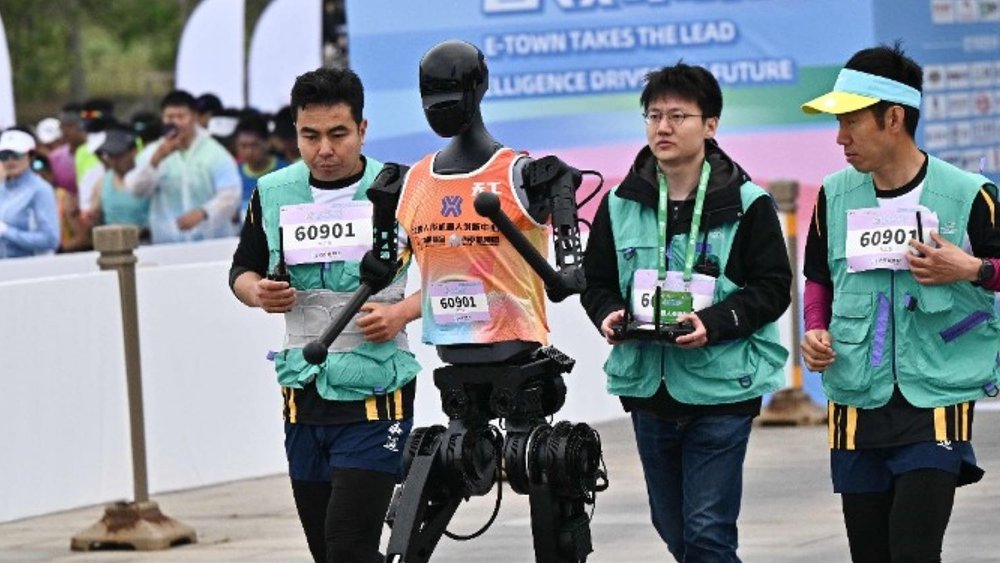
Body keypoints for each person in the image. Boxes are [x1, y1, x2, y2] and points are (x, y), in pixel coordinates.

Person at [580, 63, 791, 562]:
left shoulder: (747, 203)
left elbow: (772, 288)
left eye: (678, 115)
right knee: (673, 527)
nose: (663, 127)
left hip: (720, 390)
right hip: (650, 389)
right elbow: (597, 283)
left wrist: (714, 324)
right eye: (653, 116)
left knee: (706, 532)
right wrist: (609, 314)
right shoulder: (619, 203)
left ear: (711, 124)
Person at [799, 44, 1000, 563]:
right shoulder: (833, 194)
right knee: (870, 554)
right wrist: (816, 330)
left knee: (914, 550)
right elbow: (820, 277)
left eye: (851, 122)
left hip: (935, 394)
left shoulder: (969, 194)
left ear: (893, 118)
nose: (840, 138)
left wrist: (974, 269)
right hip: (855, 397)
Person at [229, 67, 420, 563]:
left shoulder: (400, 188)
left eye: (338, 134)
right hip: (303, 390)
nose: (324, 150)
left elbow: (455, 277)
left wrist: (401, 312)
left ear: (362, 128)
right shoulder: (271, 192)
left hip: (378, 391)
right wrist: (258, 293)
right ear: (295, 131)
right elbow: (241, 272)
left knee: (348, 546)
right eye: (309, 136)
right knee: (327, 552)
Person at [124, 89, 241, 243]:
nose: (175, 123)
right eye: (169, 117)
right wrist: (155, 160)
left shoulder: (215, 153)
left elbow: (231, 195)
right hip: (166, 244)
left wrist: (203, 212)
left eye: (181, 117)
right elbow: (135, 189)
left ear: (194, 117)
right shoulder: (153, 152)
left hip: (211, 244)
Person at [0, 128, 60, 258]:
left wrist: (7, 232)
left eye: (16, 155)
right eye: (4, 156)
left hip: (33, 268)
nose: (10, 161)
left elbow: (50, 240)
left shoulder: (40, 190)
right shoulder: (1, 189)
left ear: (31, 155)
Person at [92, 128, 150, 241]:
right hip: (113, 245)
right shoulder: (102, 183)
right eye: (110, 156)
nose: (114, 161)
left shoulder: (147, 179)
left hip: (146, 242)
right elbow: (95, 216)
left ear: (133, 151)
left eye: (119, 155)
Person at [233, 114, 288, 215]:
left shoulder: (287, 173)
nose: (249, 151)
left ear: (267, 143)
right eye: (243, 146)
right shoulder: (234, 175)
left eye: (254, 145)